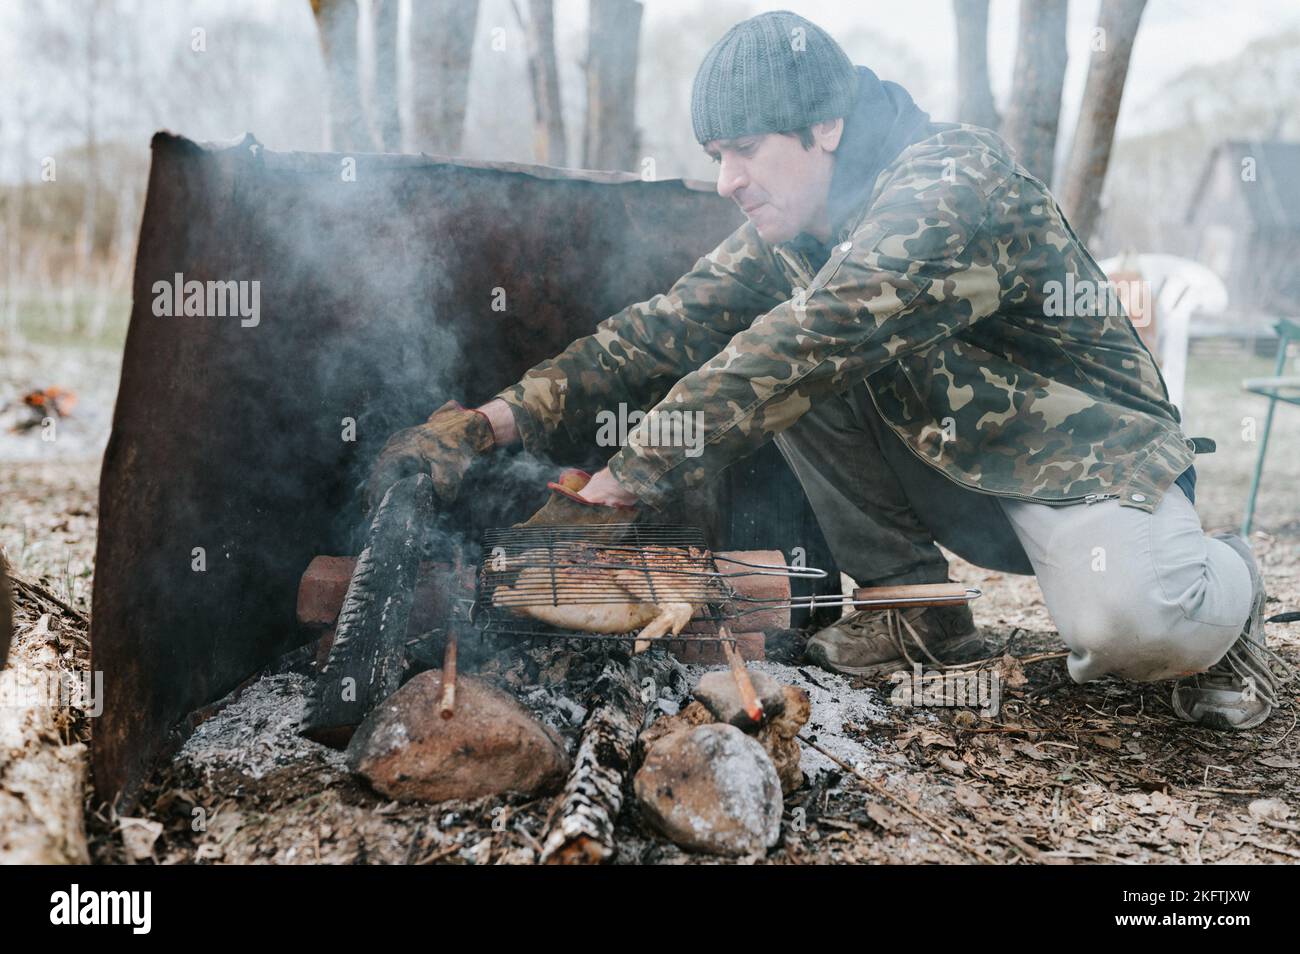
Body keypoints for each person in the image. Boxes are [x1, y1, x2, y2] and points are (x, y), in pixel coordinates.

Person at [366, 11, 1293, 730]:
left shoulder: (949, 185)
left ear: (827, 126)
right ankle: (912, 610)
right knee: (773, 349)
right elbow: (658, 329)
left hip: (1085, 468)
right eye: (714, 157)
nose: (726, 179)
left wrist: (616, 487)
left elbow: (810, 338)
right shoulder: (797, 228)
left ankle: (1232, 589)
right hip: (956, 471)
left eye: (742, 151)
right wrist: (490, 421)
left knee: (1131, 627)